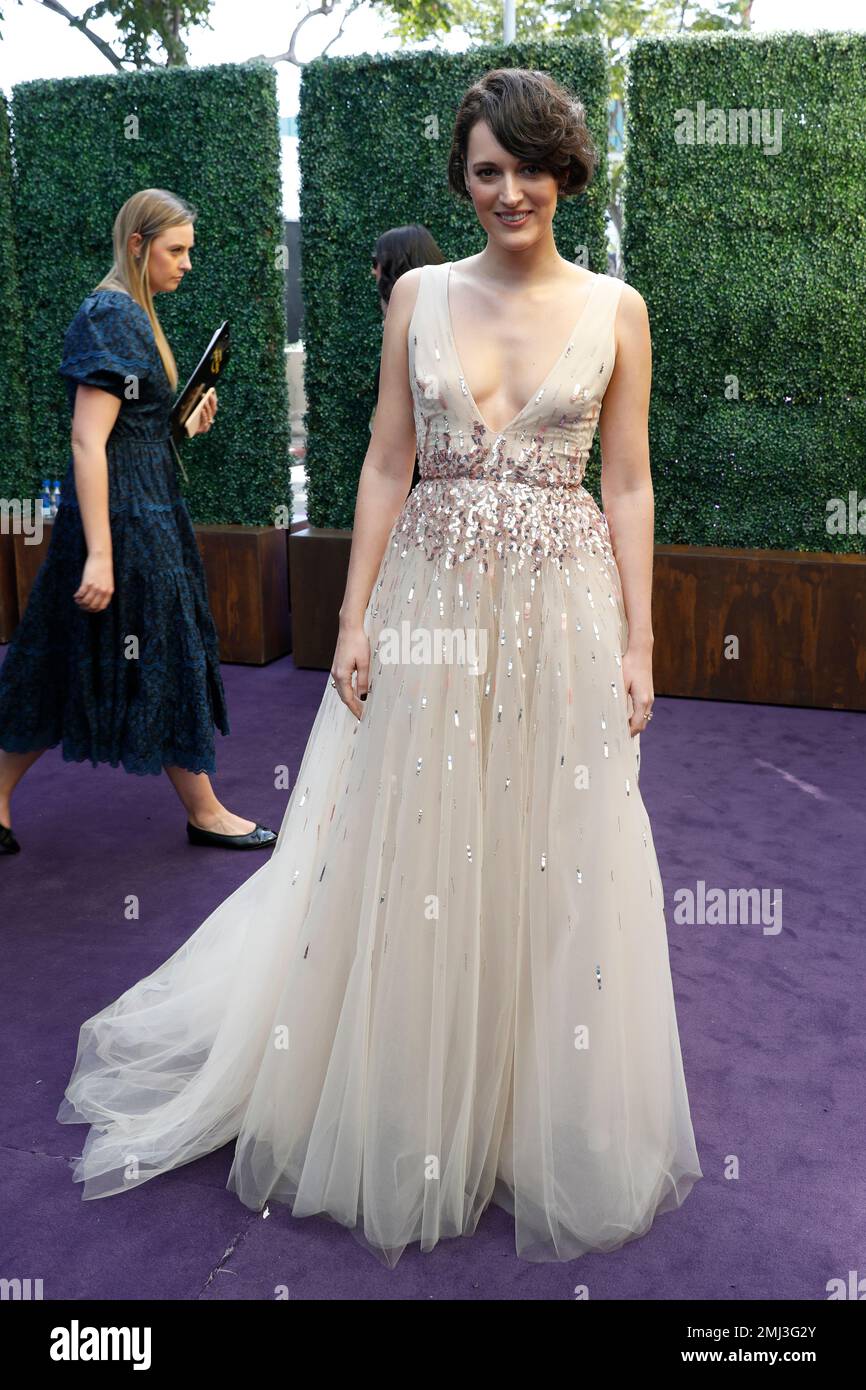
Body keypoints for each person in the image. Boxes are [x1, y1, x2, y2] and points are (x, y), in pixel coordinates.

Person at [56, 71, 702, 1267]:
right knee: (413, 834)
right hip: (428, 595)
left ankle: (522, 1098)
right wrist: (351, 617)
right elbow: (383, 464)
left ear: (566, 170)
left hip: (560, 604)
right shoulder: (419, 292)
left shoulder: (617, 307)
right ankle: (406, 1094)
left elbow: (626, 481)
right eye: (484, 172)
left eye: (527, 167)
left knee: (549, 837)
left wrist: (639, 639)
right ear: (462, 183)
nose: (508, 191)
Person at [0, 188, 276, 855]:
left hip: (136, 508)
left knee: (63, 657)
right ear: (137, 245)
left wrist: (182, 425)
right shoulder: (110, 315)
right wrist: (101, 554)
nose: (187, 264)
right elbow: (87, 440)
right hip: (123, 524)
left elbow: (129, 433)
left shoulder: (132, 314)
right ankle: (205, 811)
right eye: (176, 250)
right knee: (163, 652)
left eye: (190, 250)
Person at [369, 225, 444, 491]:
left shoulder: (423, 324)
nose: (373, 271)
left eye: (375, 261)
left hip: (419, 476)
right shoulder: (434, 314)